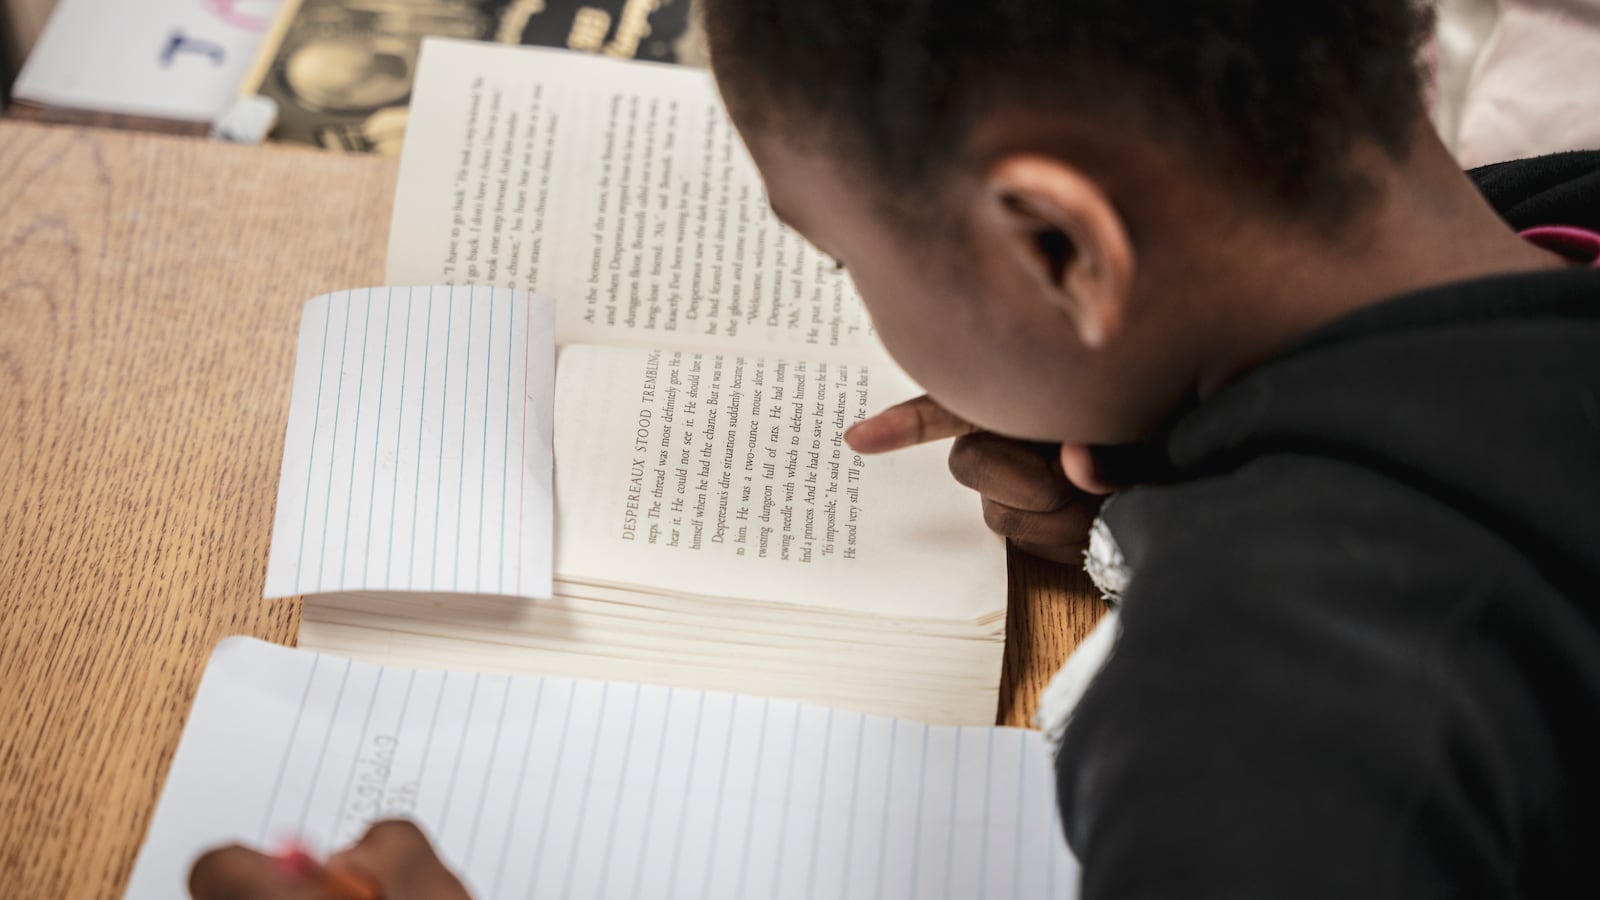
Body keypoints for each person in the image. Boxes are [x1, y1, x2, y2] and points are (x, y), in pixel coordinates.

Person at [189, 0, 1600, 896]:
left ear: (1056, 245)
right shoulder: (1550, 226)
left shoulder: (1259, 740)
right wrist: (1155, 488)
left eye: (842, 253)